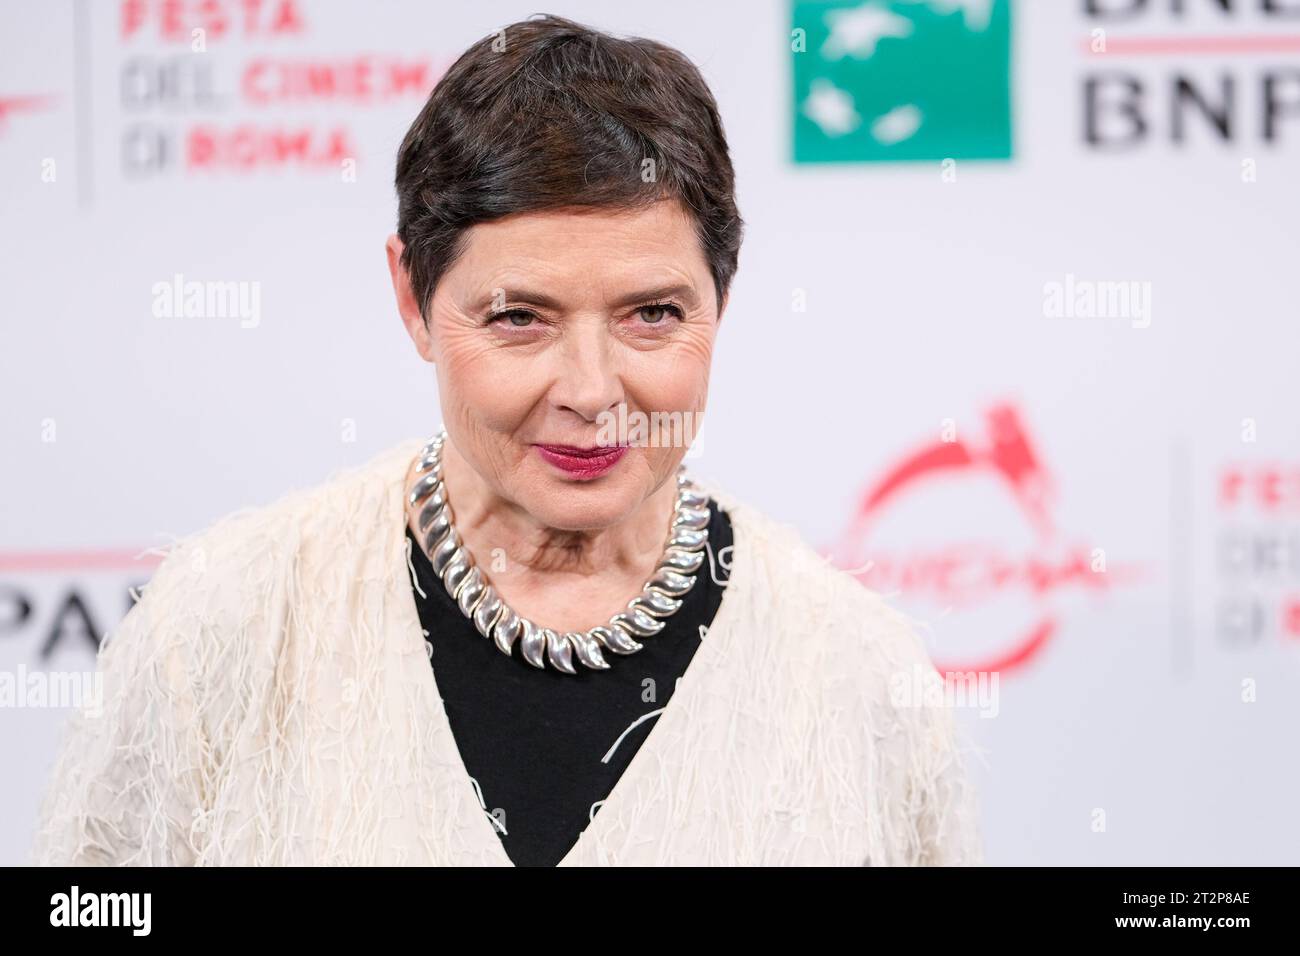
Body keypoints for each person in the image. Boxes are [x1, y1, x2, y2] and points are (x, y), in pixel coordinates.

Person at [31, 14, 982, 866]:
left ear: (722, 300)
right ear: (412, 298)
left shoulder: (858, 676)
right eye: (519, 317)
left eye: (652, 313)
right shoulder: (224, 630)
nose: (591, 391)